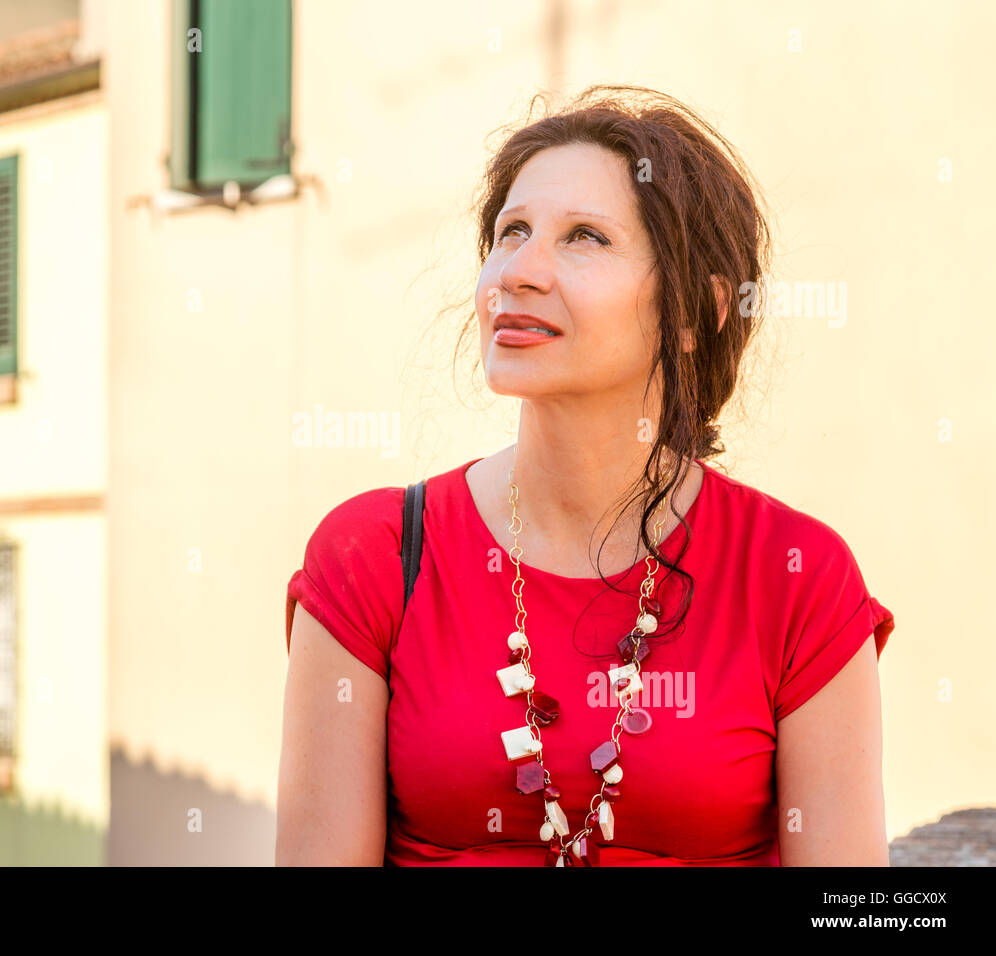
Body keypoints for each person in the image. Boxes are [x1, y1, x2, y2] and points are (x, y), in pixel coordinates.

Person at [277, 85, 895, 866]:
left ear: (693, 313)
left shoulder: (797, 578)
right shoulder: (372, 557)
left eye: (585, 238)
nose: (520, 271)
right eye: (512, 232)